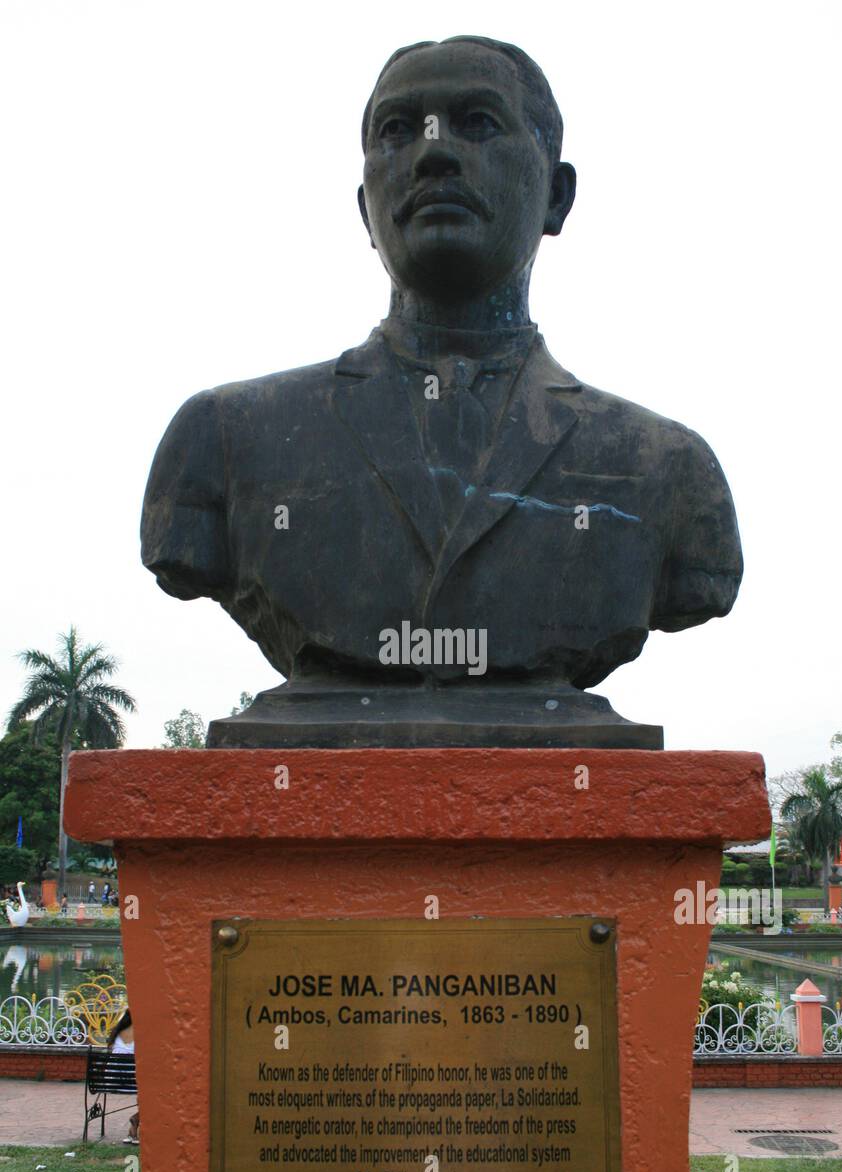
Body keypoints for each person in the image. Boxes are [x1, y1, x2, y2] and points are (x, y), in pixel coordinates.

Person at [142, 34, 743, 751]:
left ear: (556, 194)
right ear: (367, 211)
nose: (433, 153)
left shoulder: (668, 473)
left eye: (478, 122)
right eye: (397, 131)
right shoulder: (223, 443)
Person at [107, 1008, 139, 1144]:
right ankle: (137, 1118)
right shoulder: (140, 1034)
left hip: (111, 1082)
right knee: (151, 1093)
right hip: (132, 1084)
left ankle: (133, 1131)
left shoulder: (115, 1034)